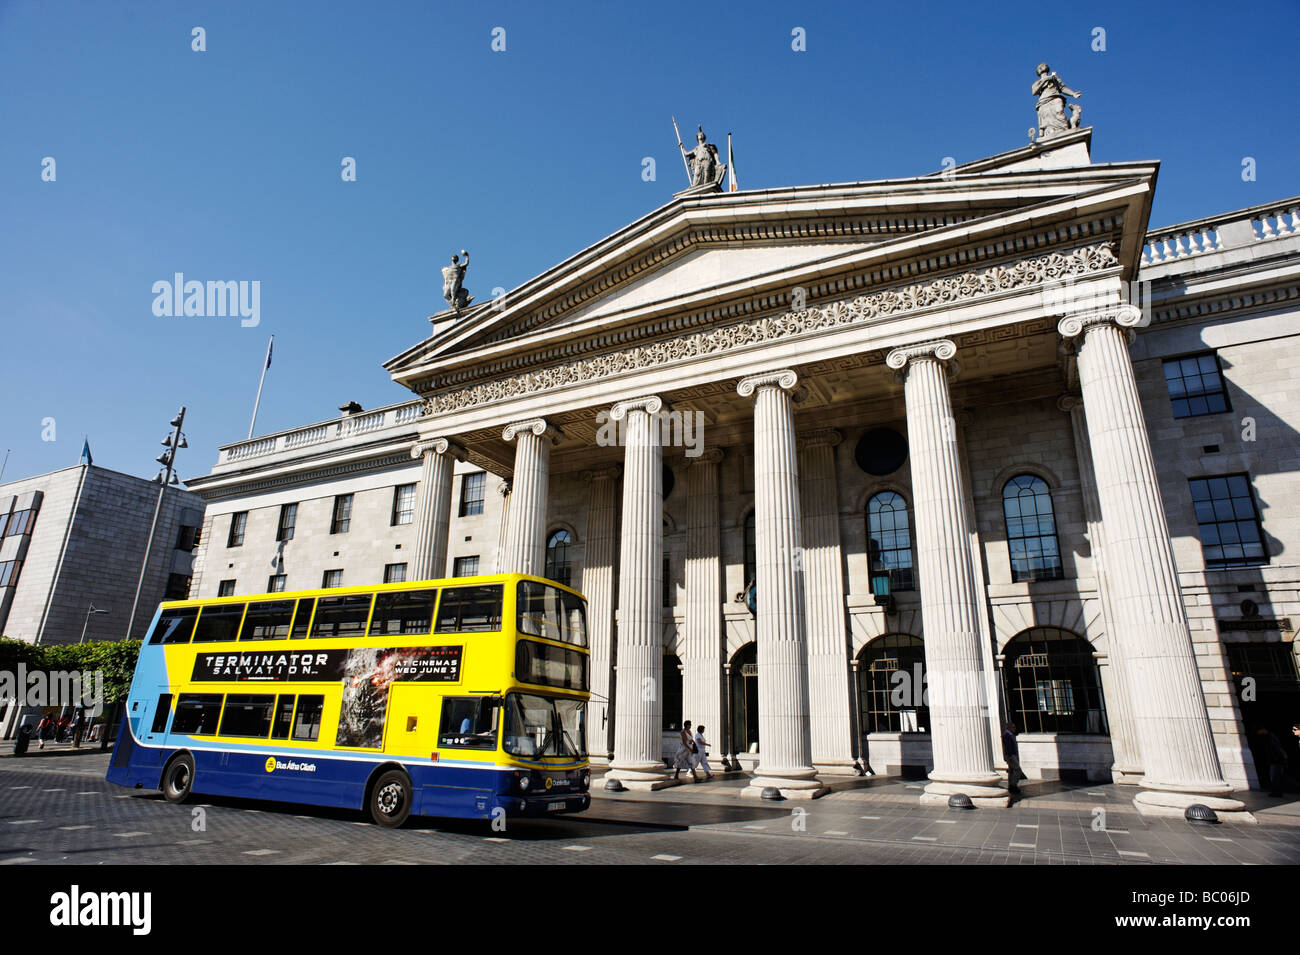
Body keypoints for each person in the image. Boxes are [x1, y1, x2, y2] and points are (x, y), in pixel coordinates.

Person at [1254, 726, 1289, 796]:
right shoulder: (1270, 737)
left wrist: (1276, 759)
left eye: (1259, 731)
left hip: (1277, 761)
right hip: (1277, 760)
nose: (1258, 733)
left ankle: (1276, 792)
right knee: (1276, 777)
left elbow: (1276, 749)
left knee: (1275, 777)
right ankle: (1277, 792)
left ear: (1263, 730)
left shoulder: (1270, 737)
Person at [1002, 721, 1024, 795]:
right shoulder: (1006, 735)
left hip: (1011, 755)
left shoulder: (1010, 735)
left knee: (1011, 771)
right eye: (1013, 727)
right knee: (1018, 770)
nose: (1015, 729)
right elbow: (1007, 747)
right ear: (1009, 727)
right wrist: (1009, 756)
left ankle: (1011, 785)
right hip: (1011, 756)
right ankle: (1013, 785)